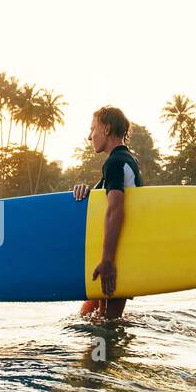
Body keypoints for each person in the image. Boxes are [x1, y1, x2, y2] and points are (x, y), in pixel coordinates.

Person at [72, 106, 142, 320]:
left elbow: (115, 209)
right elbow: (104, 200)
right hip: (124, 252)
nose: (89, 136)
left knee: (107, 326)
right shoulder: (127, 161)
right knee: (94, 317)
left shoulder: (115, 162)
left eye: (93, 128)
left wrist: (108, 261)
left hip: (116, 257)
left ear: (107, 128)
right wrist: (86, 191)